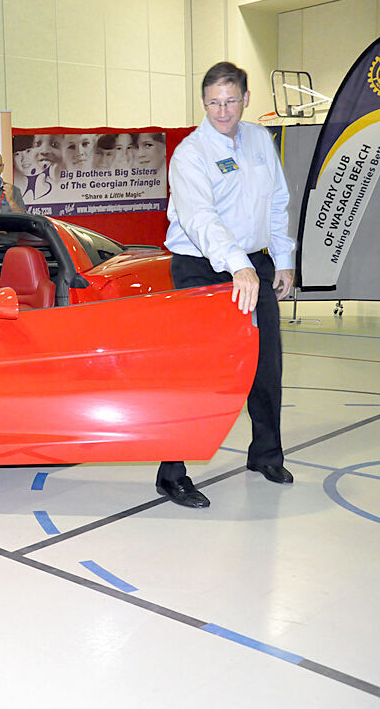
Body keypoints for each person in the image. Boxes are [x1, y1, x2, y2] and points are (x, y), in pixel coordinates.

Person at [158, 61, 296, 508]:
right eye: (214, 102)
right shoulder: (191, 153)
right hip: (202, 266)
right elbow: (199, 218)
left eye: (231, 100)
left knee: (265, 363)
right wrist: (238, 264)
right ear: (204, 103)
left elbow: (276, 202)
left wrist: (283, 258)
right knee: (194, 374)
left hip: (253, 263)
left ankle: (266, 454)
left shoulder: (259, 140)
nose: (223, 110)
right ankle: (171, 471)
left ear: (246, 99)